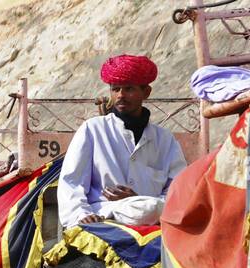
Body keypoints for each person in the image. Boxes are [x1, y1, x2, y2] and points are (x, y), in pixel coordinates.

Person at [58, 55, 187, 230]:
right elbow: (71, 182)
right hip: (103, 214)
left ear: (146, 92)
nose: (120, 96)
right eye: (115, 89)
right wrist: (81, 215)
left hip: (149, 216)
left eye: (129, 89)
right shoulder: (93, 129)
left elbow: (178, 191)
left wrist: (138, 199)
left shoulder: (165, 139)